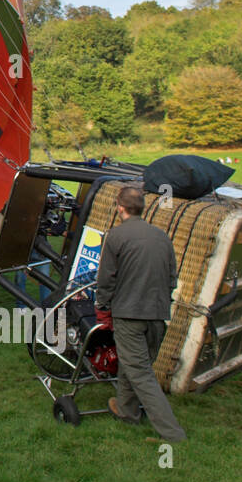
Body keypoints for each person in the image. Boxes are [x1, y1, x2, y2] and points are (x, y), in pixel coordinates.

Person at [95, 185, 186, 442]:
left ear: (119, 207)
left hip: (129, 315)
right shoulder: (162, 236)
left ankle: (172, 435)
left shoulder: (116, 236)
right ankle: (126, 411)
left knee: (142, 374)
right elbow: (171, 278)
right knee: (132, 364)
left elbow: (106, 279)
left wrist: (102, 305)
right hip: (157, 315)